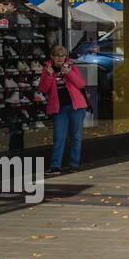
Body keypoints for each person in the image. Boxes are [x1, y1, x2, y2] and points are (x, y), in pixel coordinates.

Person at [39, 45, 87, 175]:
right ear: (52, 56)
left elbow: (81, 84)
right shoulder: (47, 69)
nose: (60, 58)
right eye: (57, 55)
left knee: (75, 136)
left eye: (62, 55)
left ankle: (74, 165)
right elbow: (43, 89)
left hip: (76, 107)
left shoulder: (71, 66)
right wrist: (49, 76)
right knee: (59, 137)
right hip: (59, 108)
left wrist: (69, 73)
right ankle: (55, 167)